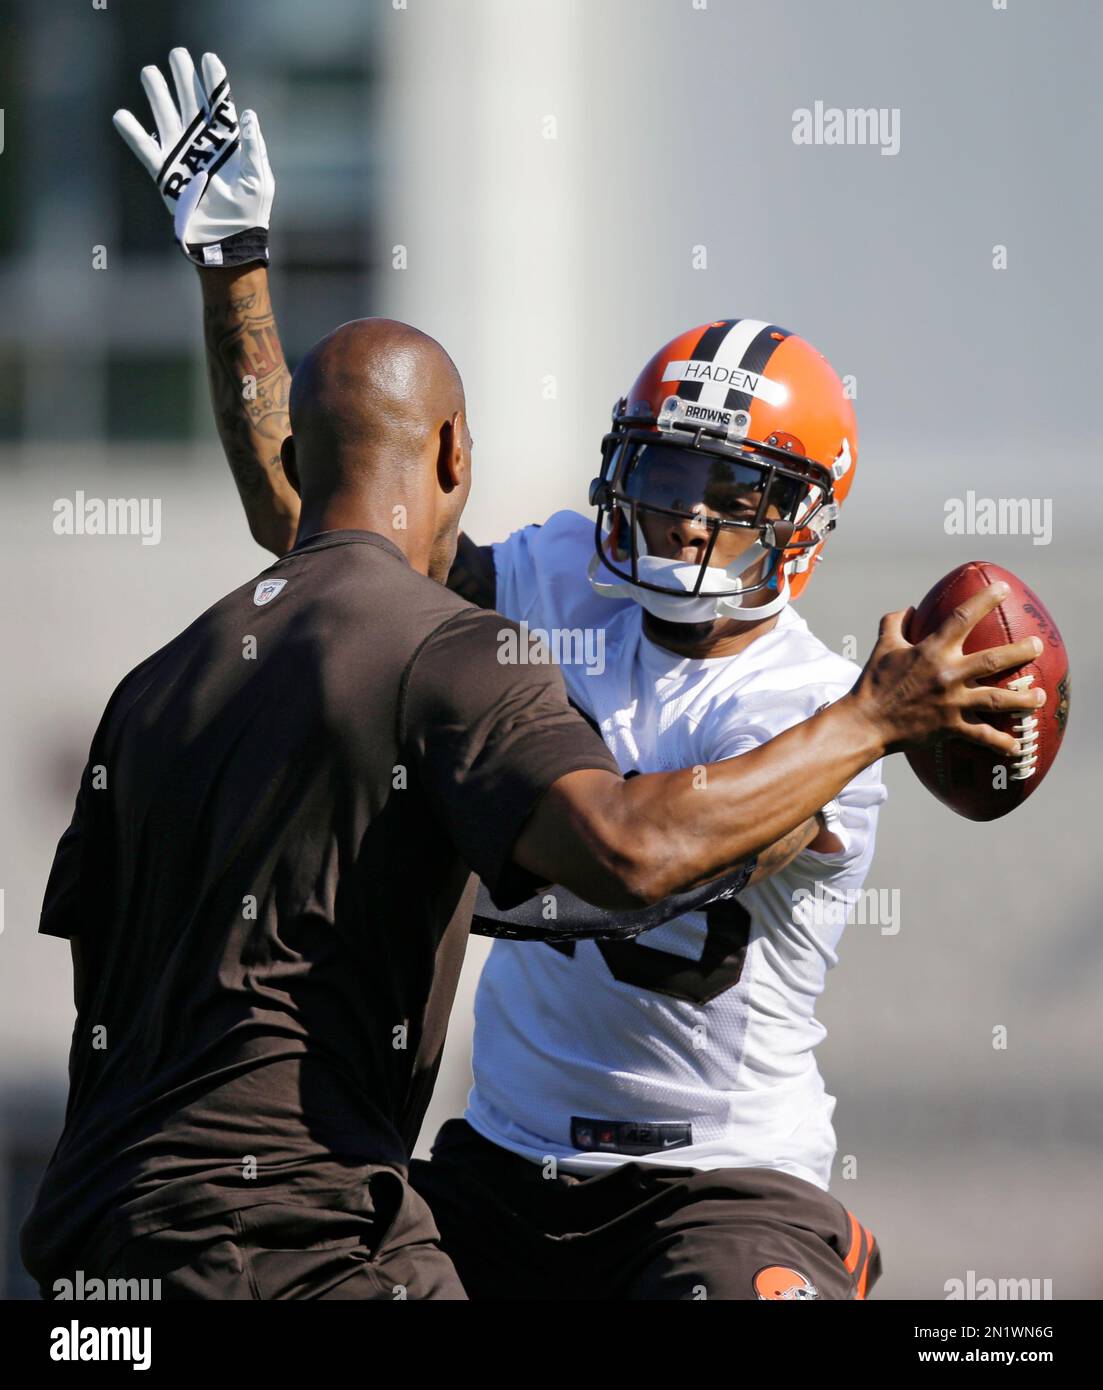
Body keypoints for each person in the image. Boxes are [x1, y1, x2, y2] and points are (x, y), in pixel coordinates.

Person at [40, 51, 1039, 1303]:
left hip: (716, 1182)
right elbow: (328, 529)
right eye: (666, 478)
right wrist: (235, 271)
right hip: (502, 1161)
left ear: (807, 521)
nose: (684, 521)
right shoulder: (562, 577)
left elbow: (652, 860)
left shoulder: (810, 709)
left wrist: (874, 718)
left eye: (730, 497)